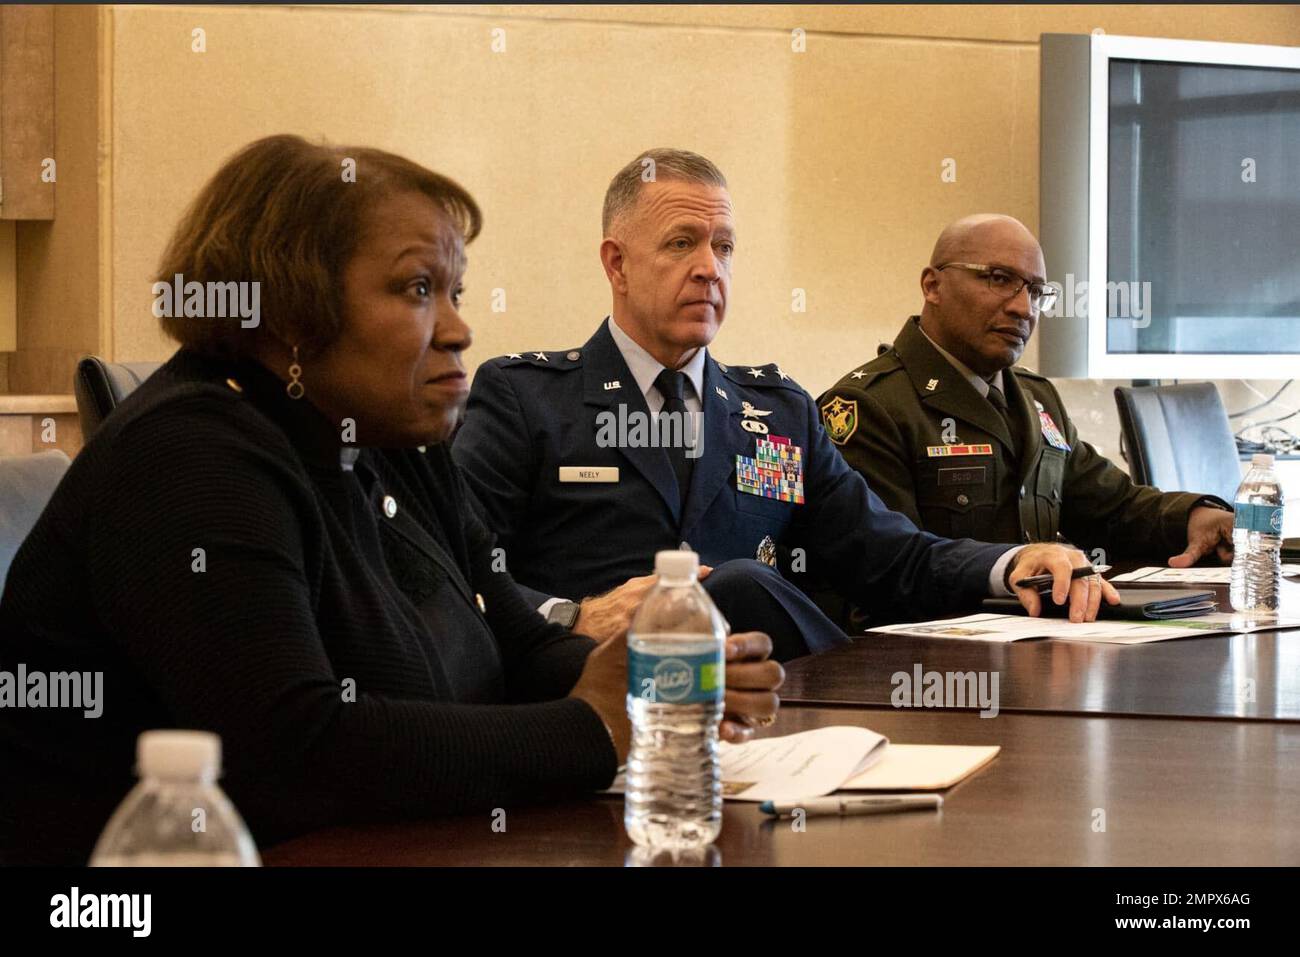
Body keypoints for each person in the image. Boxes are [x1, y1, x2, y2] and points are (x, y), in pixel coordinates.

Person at [0, 135, 782, 866]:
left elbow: (516, 641)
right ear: (290, 311)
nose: (459, 329)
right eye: (417, 290)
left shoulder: (397, 439)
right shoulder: (191, 456)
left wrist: (654, 684)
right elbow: (294, 753)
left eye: (455, 290)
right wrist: (594, 725)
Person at [452, 151, 1118, 660]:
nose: (710, 267)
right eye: (683, 243)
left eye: (726, 246)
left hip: (767, 712)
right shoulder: (527, 399)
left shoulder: (777, 411)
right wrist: (571, 614)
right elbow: (451, 572)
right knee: (740, 584)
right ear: (618, 264)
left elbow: (891, 555)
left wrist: (1012, 563)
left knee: (747, 588)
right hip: (603, 706)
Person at [817, 213, 1235, 565]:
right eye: (999, 279)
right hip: (934, 652)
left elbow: (1111, 509)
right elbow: (891, 564)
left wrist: (1194, 517)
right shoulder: (871, 406)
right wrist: (1007, 570)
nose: (1023, 308)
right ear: (933, 286)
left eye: (1036, 292)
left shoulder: (1035, 398)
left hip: (1036, 634)